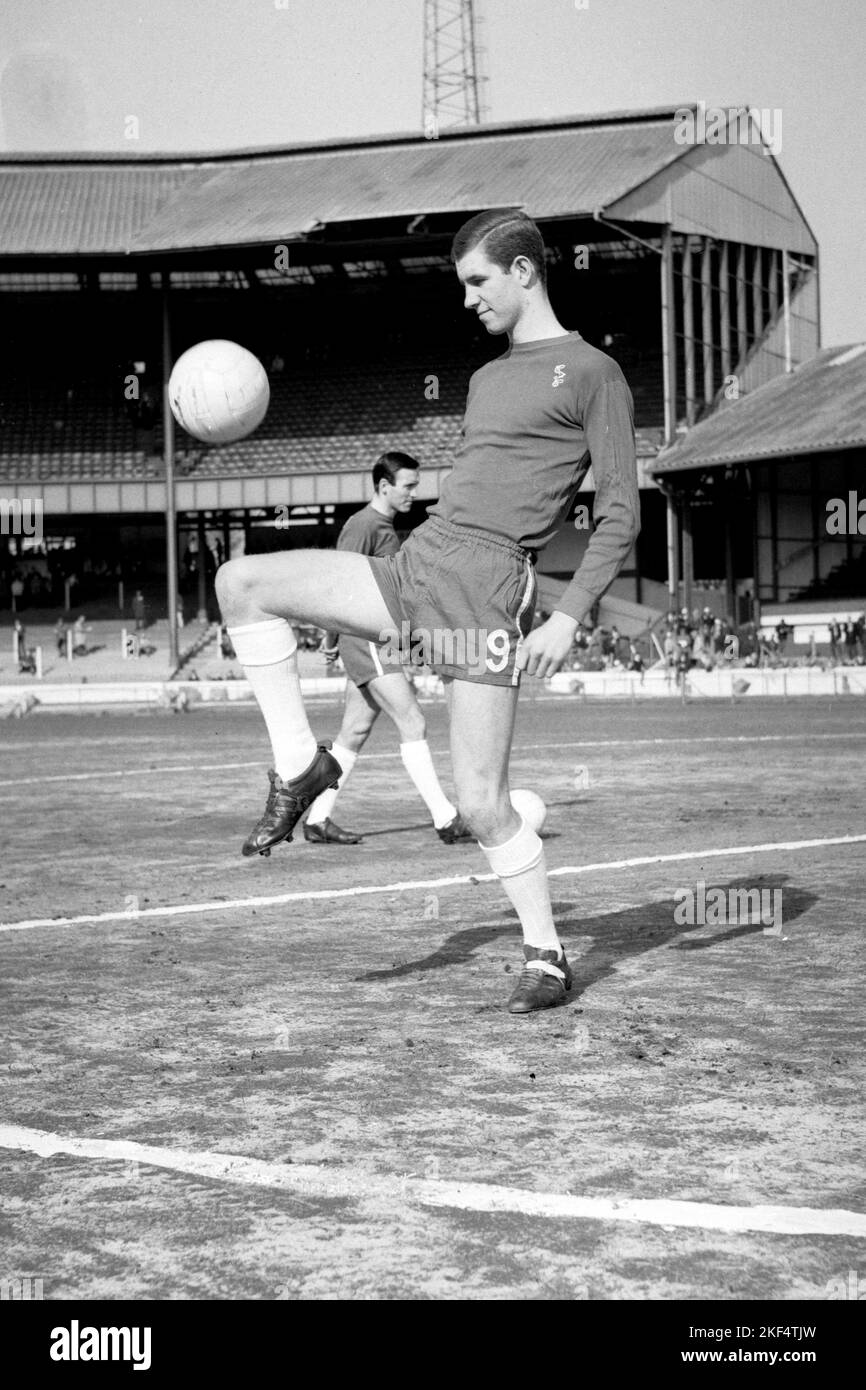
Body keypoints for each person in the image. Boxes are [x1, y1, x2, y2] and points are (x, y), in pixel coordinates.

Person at [216, 207, 640, 1015]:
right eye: (463, 285)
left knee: (481, 804)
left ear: (524, 271)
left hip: (486, 592)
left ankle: (547, 958)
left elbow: (621, 509)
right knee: (240, 582)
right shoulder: (484, 378)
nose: (469, 300)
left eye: (479, 281)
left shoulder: (593, 372)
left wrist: (567, 615)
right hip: (420, 564)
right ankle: (300, 766)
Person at [304, 450, 471, 846]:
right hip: (365, 640)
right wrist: (331, 639)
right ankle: (446, 820)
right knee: (412, 721)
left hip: (380, 641)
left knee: (355, 731)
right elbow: (336, 585)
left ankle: (317, 820)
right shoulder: (362, 524)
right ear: (384, 486)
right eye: (409, 486)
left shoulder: (385, 526)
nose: (415, 493)